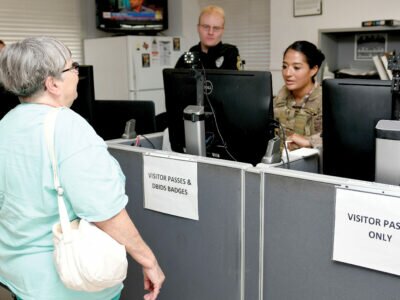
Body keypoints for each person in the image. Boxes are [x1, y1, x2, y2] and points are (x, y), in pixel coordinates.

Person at [0, 37, 165, 300]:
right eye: (72, 67)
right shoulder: (68, 128)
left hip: (22, 278)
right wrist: (148, 260)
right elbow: (104, 210)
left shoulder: (6, 125)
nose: (77, 74)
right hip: (67, 284)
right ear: (52, 83)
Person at [273, 40, 325, 151]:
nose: (287, 73)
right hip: (278, 163)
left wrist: (310, 141)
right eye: (284, 66)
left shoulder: (325, 99)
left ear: (313, 70)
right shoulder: (279, 97)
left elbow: (338, 138)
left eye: (296, 68)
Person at [175, 5, 242, 70]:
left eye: (216, 28)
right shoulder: (188, 58)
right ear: (198, 28)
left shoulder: (230, 54)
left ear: (222, 31)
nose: (210, 32)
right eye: (206, 27)